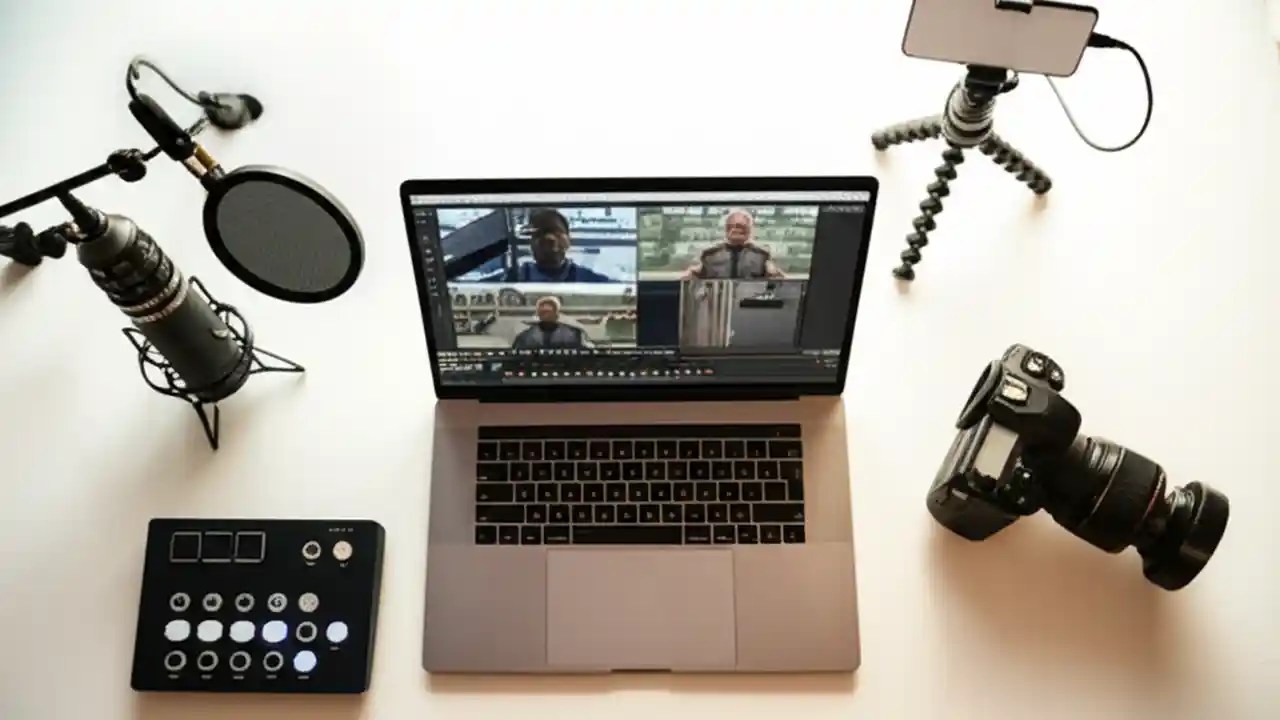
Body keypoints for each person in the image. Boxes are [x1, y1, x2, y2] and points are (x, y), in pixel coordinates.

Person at [500, 208, 617, 283]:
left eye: (555, 232)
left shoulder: (589, 280)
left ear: (568, 240)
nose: (549, 238)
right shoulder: (515, 278)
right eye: (540, 233)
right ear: (531, 243)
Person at [681, 209, 786, 279]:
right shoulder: (710, 254)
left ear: (750, 230)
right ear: (726, 229)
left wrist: (775, 274)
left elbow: (776, 277)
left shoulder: (762, 255)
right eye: (732, 226)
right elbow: (695, 274)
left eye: (741, 226)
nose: (736, 230)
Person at [511, 296, 590, 350]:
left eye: (549, 312)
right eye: (543, 312)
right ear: (538, 314)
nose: (546, 315)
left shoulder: (572, 334)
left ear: (557, 313)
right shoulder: (525, 336)